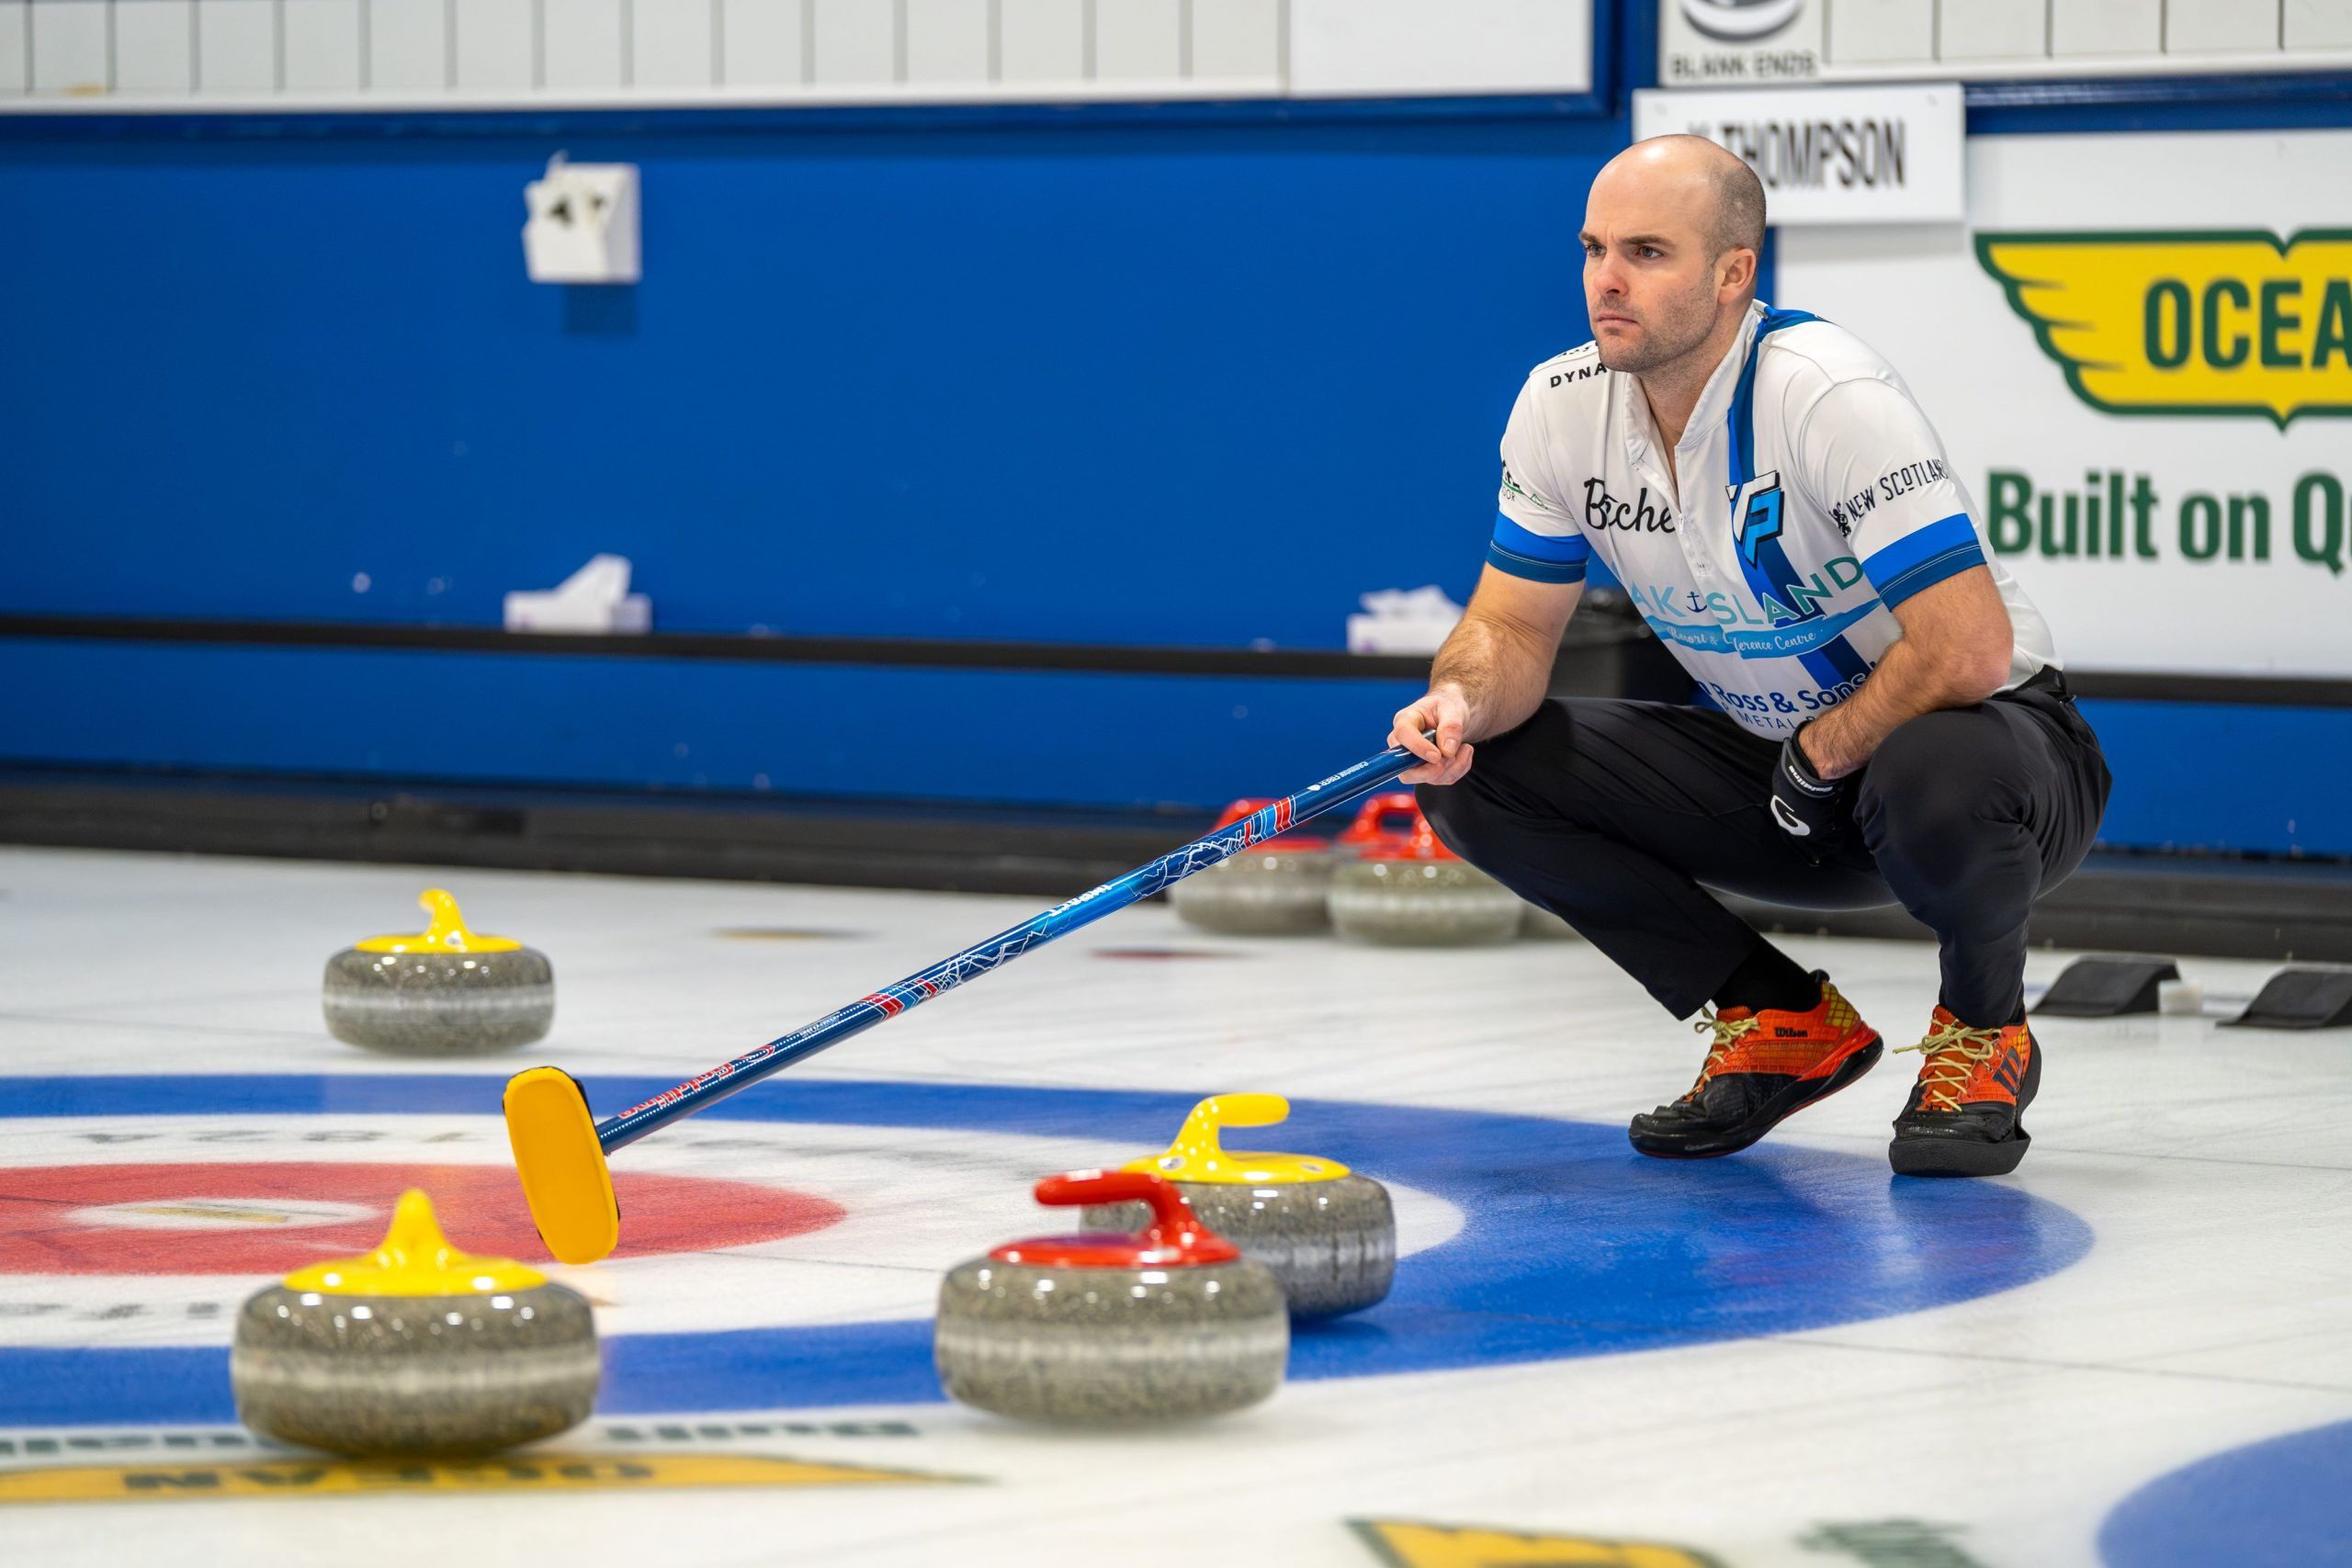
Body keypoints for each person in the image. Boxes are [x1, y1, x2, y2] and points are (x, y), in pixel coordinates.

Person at [1392, 135, 2111, 1179]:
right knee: (1480, 772)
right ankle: (1776, 1021)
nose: (1606, 279)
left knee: (1932, 767)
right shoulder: (1557, 405)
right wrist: (1456, 701)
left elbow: (1965, 649)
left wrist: (1827, 751)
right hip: (1783, 771)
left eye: (1646, 251)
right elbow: (1506, 631)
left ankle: (1981, 1033)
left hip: (1996, 758)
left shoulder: (1827, 395)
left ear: (1734, 274)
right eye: (1593, 248)